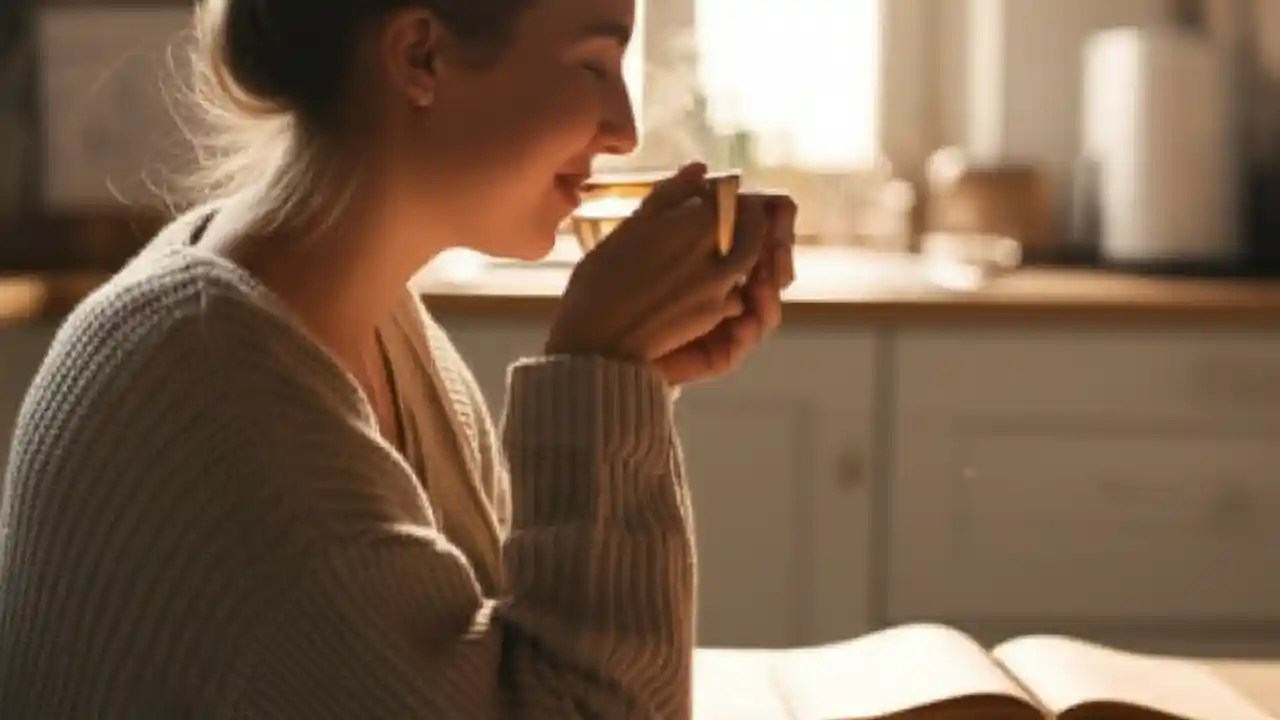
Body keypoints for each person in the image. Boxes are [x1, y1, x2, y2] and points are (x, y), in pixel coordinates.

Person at [0, 0, 795, 716]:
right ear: (421, 57)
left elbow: (525, 660)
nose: (624, 128)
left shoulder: (360, 322)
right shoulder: (220, 410)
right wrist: (601, 373)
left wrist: (634, 382)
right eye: (593, 63)